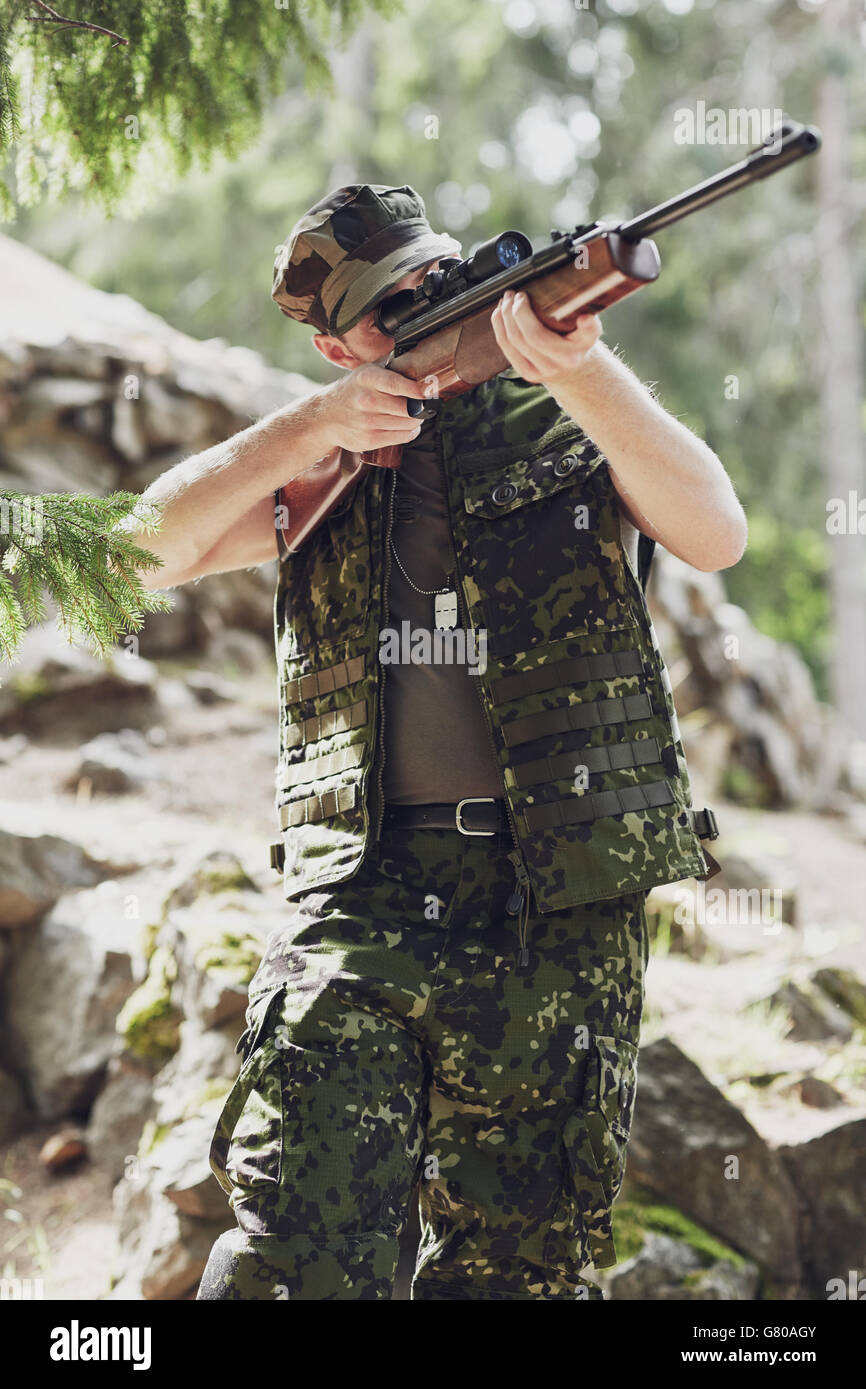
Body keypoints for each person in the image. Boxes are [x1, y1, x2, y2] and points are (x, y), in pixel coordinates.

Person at [134, 184, 746, 1300]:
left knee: (516, 1276)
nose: (424, 303)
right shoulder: (314, 467)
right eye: (387, 308)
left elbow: (715, 528)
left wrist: (581, 370)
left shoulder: (566, 417)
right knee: (291, 1263)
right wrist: (312, 425)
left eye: (436, 278)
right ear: (334, 346)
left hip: (552, 905)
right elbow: (138, 553)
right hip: (361, 895)